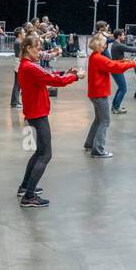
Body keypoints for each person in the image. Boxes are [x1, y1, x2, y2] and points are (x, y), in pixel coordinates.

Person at [17, 34, 84, 207]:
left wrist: (65, 73)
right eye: (37, 49)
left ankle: (25, 187)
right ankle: (29, 196)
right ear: (28, 49)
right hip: (37, 114)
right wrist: (75, 77)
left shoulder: (27, 66)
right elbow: (54, 81)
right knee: (46, 153)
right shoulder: (30, 67)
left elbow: (48, 75)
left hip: (34, 112)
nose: (40, 52)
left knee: (39, 152)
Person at [85, 35, 136, 156]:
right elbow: (114, 68)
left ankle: (90, 143)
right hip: (100, 94)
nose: (105, 45)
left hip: (94, 93)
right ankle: (98, 150)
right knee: (105, 121)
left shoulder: (94, 57)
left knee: (98, 120)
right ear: (99, 45)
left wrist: (122, 61)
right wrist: (131, 64)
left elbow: (110, 63)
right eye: (104, 43)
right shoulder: (99, 58)